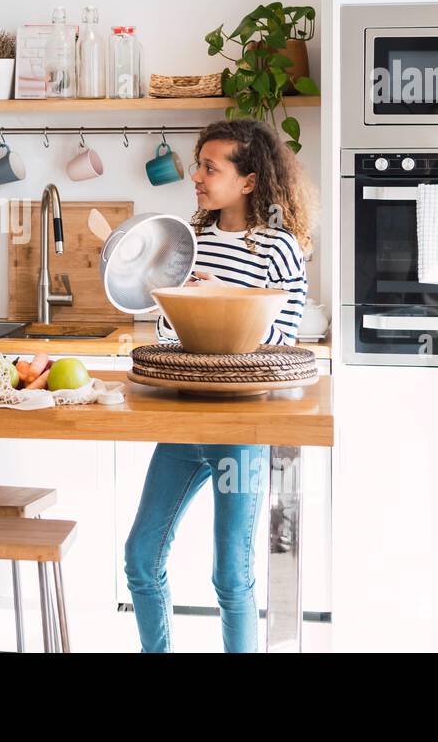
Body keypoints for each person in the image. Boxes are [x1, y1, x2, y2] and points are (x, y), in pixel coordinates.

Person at [124, 119, 313, 652]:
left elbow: (279, 338)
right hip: (184, 423)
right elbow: (166, 330)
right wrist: (167, 299)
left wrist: (221, 295)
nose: (197, 176)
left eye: (211, 167)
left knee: (231, 576)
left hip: (239, 429)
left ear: (249, 181)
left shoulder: (279, 249)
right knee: (141, 557)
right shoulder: (189, 240)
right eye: (198, 164)